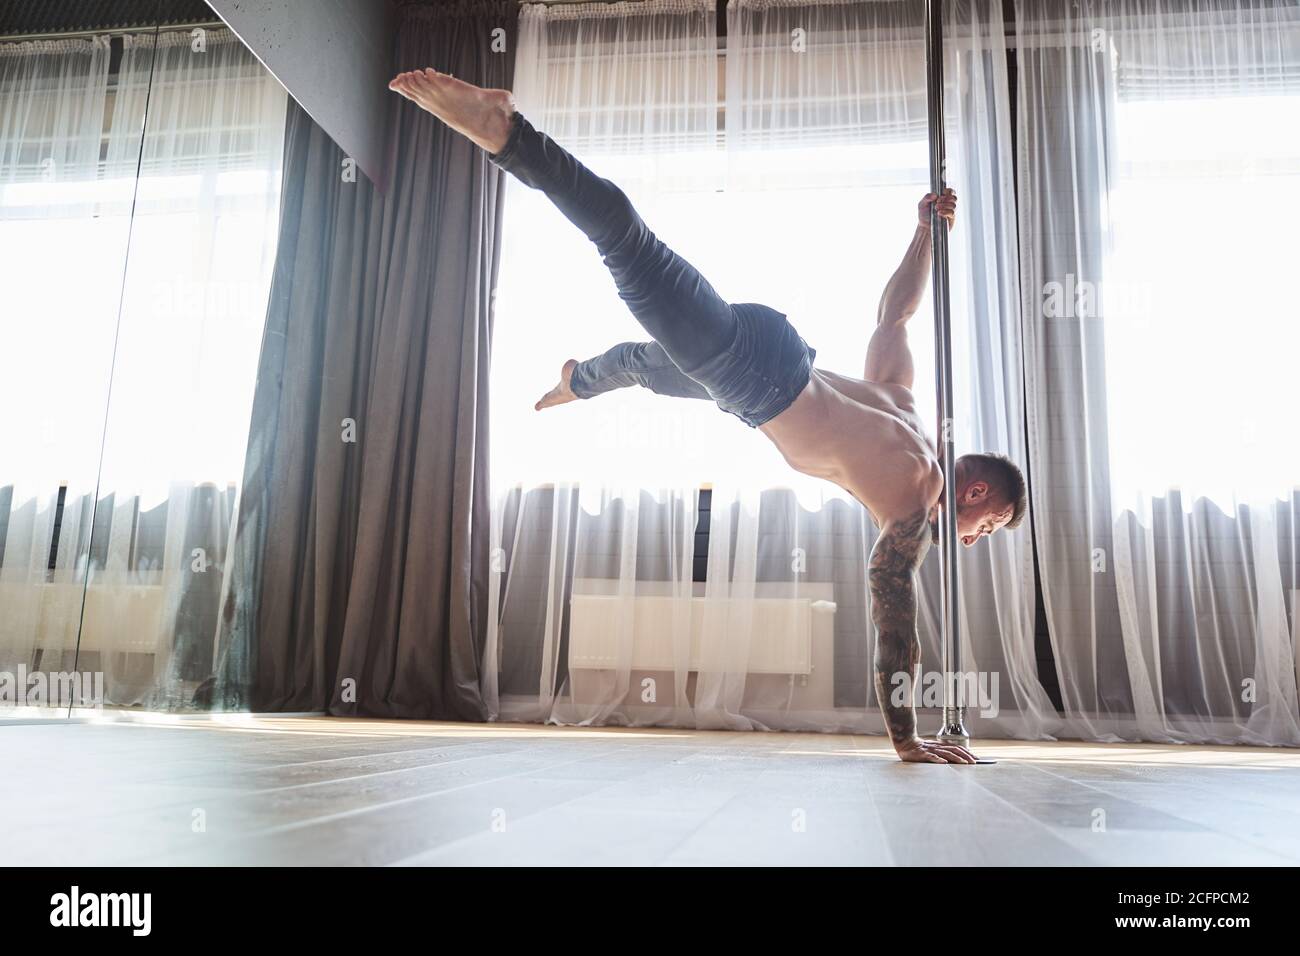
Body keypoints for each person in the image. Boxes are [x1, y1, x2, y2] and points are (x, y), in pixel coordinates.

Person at [389, 69, 1027, 764]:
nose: (972, 541)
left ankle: (580, 379)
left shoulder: (901, 402)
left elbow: (896, 313)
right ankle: (505, 132)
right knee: (625, 243)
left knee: (646, 364)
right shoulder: (914, 499)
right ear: (975, 490)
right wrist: (906, 742)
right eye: (986, 524)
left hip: (774, 355)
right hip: (756, 377)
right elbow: (893, 622)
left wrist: (925, 230)